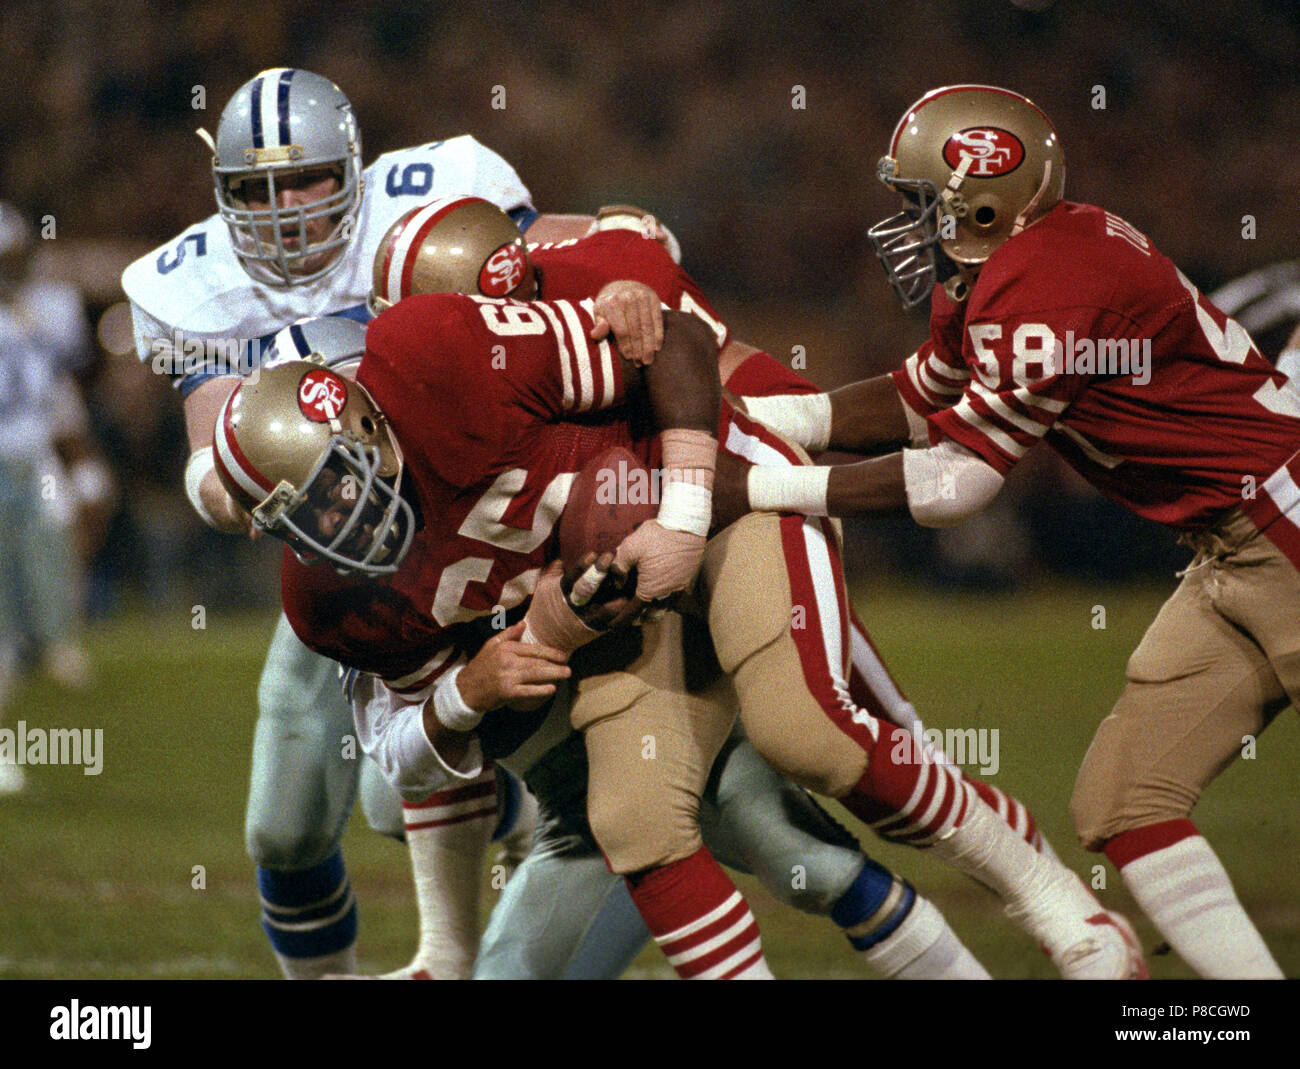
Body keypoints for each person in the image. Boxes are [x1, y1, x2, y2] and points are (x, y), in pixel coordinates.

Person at [219, 202, 1143, 978]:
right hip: (613, 591)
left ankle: (1059, 905)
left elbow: (678, 346)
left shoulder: (450, 354)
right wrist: (480, 682)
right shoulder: (326, 595)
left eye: (343, 479)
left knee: (805, 731)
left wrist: (686, 512)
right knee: (634, 817)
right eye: (309, 513)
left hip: (715, 498)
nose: (344, 517)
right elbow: (403, 753)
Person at [724, 83, 1297, 979]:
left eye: (920, 202)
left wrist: (760, 484)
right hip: (1232, 545)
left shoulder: (1050, 282)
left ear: (984, 194)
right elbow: (920, 399)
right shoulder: (1015, 262)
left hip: (1287, 525)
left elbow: (956, 483)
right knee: (1127, 802)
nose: (906, 224)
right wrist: (768, 417)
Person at [119, 67, 603, 979]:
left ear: (355, 167)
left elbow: (555, 279)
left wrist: (620, 246)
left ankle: (525, 847)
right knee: (283, 827)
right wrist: (222, 482)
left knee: (398, 794)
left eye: (307, 179)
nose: (287, 209)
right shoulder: (196, 282)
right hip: (342, 559)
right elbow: (209, 454)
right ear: (221, 193)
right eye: (257, 190)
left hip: (480, 534)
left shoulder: (436, 193)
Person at [0, 203, 107, 794]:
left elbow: (60, 389)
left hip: (30, 461)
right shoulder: (45, 310)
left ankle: (57, 635)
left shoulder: (46, 310)